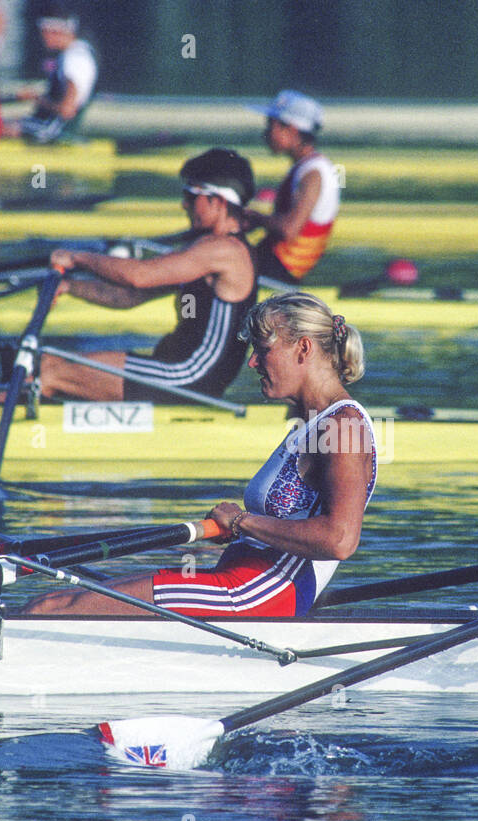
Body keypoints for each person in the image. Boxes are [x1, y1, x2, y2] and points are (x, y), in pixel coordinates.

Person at [24, 291, 376, 618]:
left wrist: (240, 522)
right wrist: (241, 530)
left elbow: (340, 540)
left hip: (258, 592)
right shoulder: (313, 423)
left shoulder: (343, 427)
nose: (252, 362)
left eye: (262, 349)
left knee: (53, 607)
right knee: (50, 601)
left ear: (303, 349)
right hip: (242, 579)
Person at [34, 148, 258, 401]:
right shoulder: (206, 249)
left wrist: (77, 257)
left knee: (50, 371)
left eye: (190, 195)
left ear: (216, 201)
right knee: (46, 364)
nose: (184, 204)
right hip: (178, 372)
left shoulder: (224, 250)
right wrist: (69, 287)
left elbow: (138, 275)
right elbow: (130, 295)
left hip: (188, 377)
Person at [246, 90, 340, 282]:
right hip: (272, 262)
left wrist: (252, 216)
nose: (266, 133)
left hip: (281, 272)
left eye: (270, 126)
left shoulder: (313, 174)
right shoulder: (306, 167)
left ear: (292, 129)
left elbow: (289, 230)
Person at [4, 6, 96, 144]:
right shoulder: (79, 51)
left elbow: (67, 110)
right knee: (0, 122)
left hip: (53, 130)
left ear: (56, 31)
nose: (42, 37)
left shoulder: (73, 60)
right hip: (51, 125)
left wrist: (36, 98)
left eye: (44, 32)